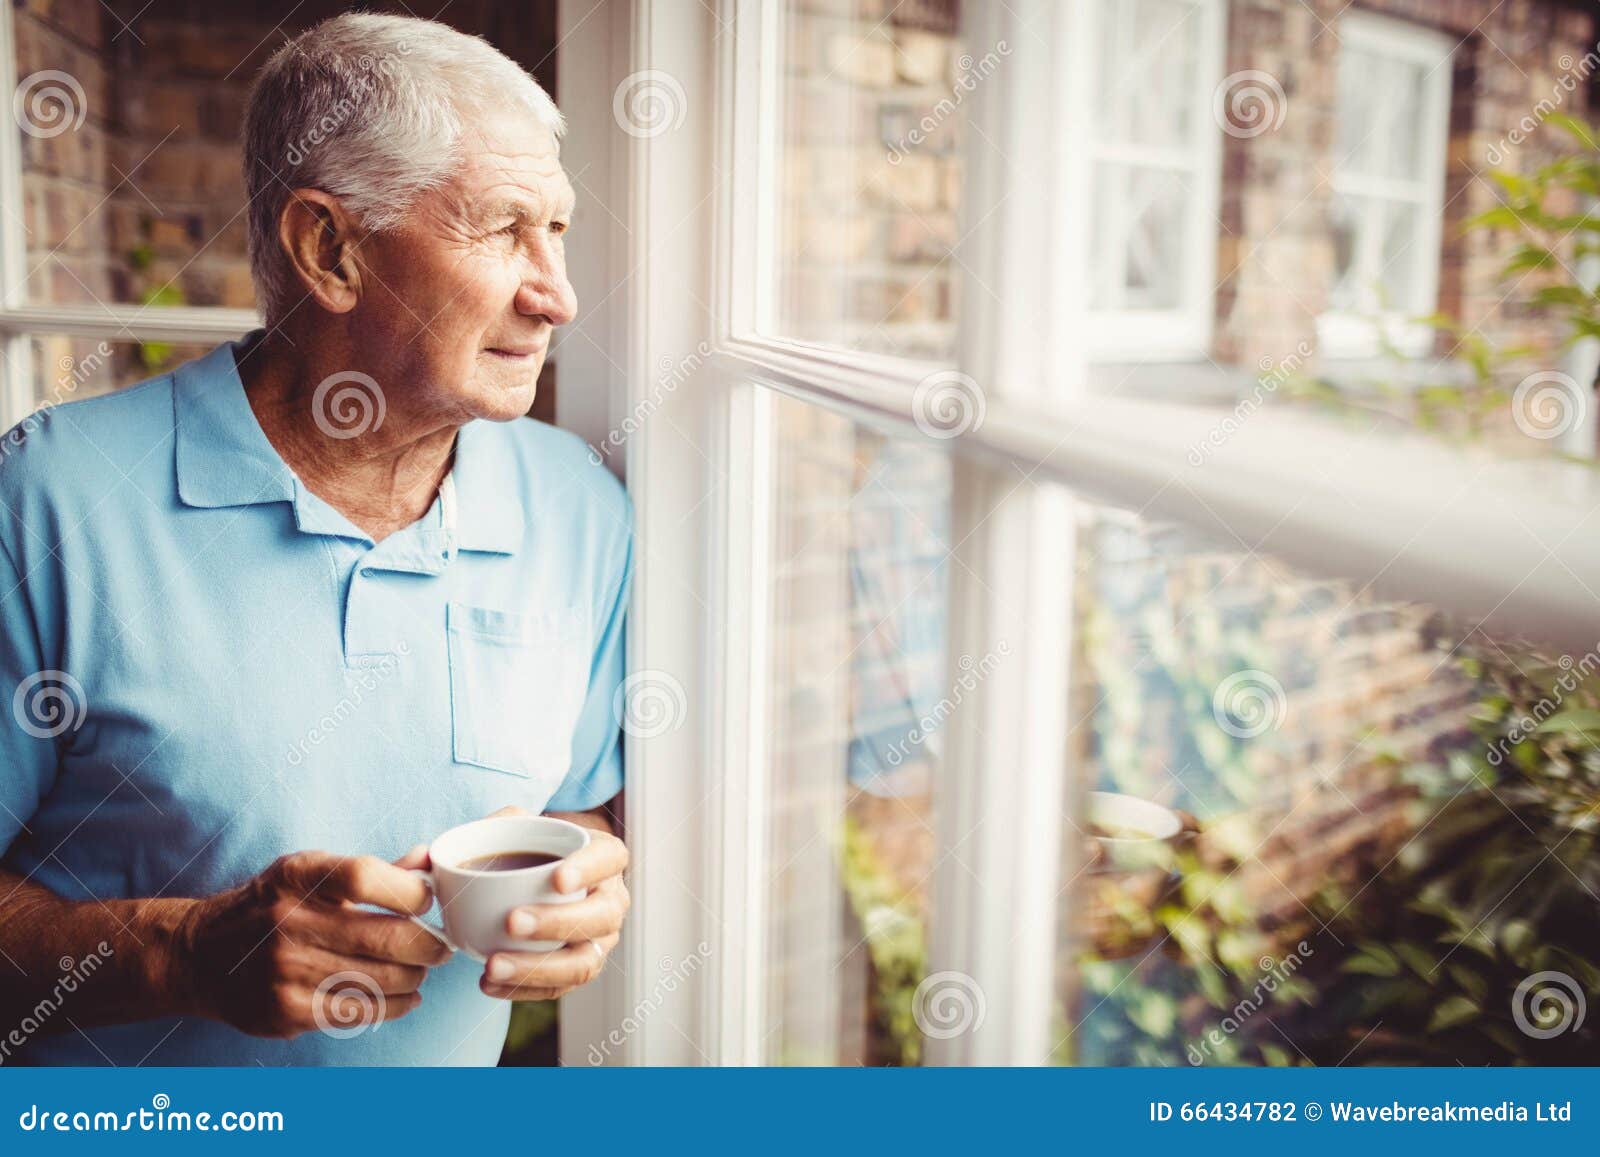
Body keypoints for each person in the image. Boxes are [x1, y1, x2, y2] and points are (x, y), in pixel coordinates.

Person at [0, 12, 631, 1065]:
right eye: (502, 226)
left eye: (557, 230)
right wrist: (183, 952)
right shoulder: (47, 497)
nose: (557, 294)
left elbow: (579, 813)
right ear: (329, 249)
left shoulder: (578, 506)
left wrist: (587, 891)